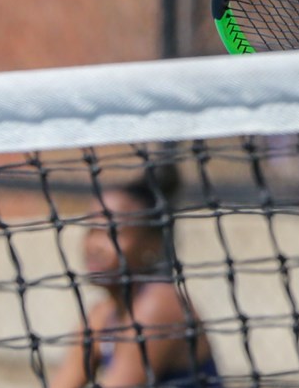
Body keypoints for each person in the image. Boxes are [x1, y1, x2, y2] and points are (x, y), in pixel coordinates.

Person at [53, 165, 220, 388]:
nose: (95, 246)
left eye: (113, 233)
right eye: (92, 230)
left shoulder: (159, 306)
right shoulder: (100, 316)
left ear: (151, 244)